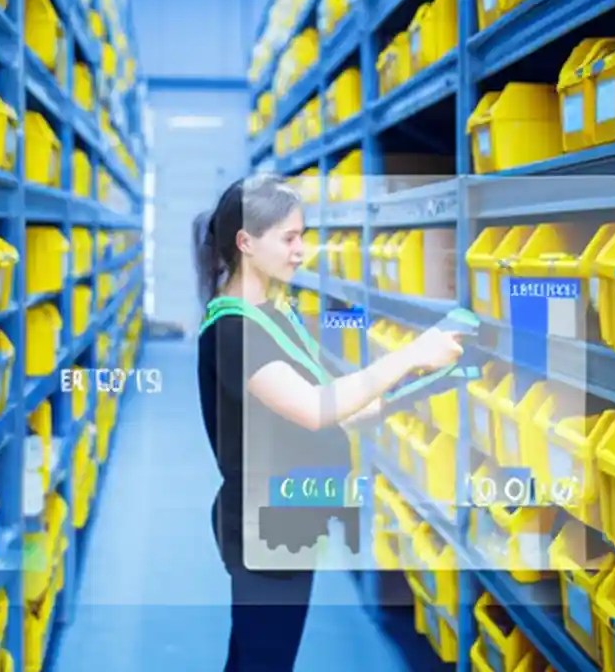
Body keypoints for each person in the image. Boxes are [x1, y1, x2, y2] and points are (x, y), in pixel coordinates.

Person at [193, 174, 463, 671]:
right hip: (264, 523)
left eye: (304, 236)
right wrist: (409, 355)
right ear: (246, 242)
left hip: (293, 517)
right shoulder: (234, 330)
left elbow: (337, 407)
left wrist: (419, 387)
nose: (302, 251)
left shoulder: (275, 315)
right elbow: (314, 407)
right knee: (263, 660)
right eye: (289, 238)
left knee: (260, 655)